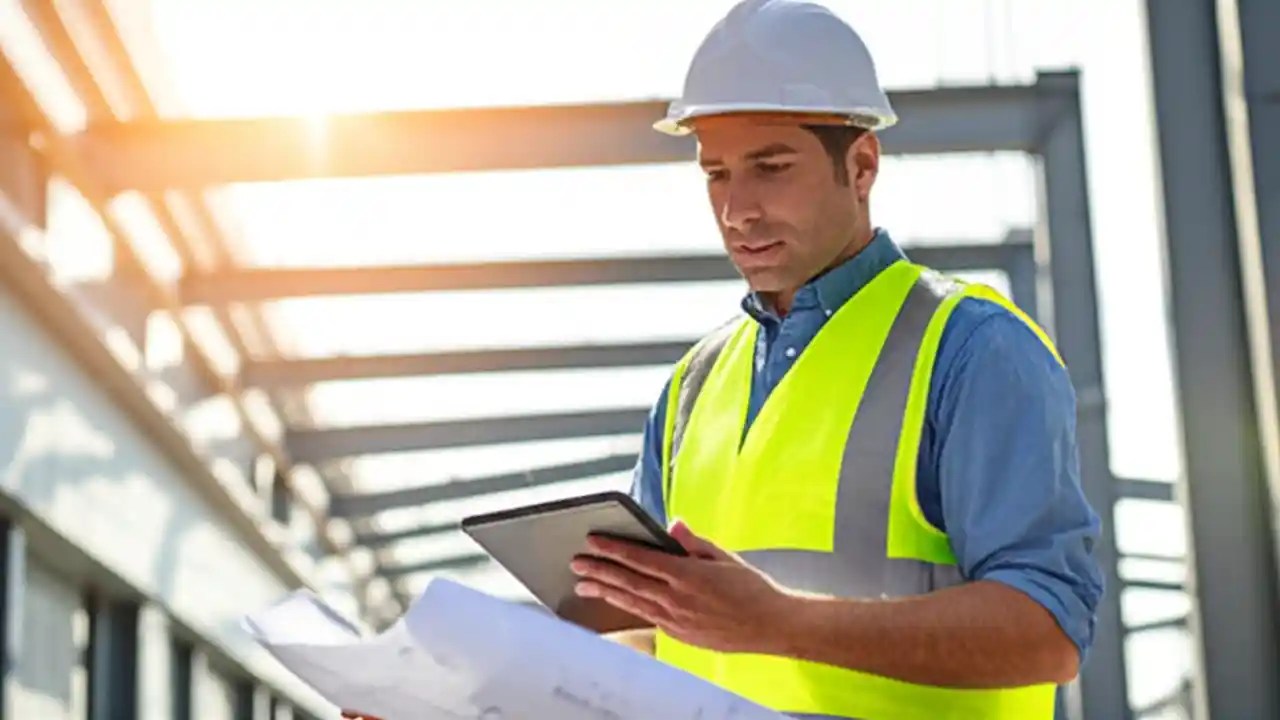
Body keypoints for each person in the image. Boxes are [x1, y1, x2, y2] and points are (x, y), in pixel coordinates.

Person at [345, 1, 1102, 718]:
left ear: (862, 166)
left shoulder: (971, 350)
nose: (738, 210)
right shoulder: (693, 387)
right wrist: (454, 693)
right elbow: (641, 642)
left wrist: (784, 623)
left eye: (771, 167)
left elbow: (1049, 630)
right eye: (716, 173)